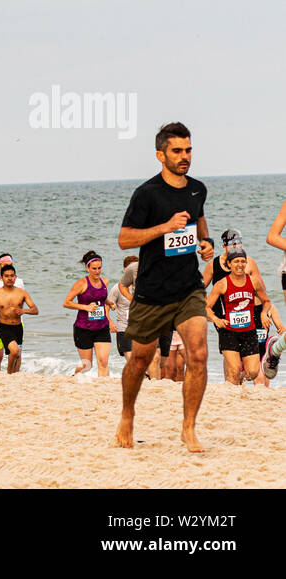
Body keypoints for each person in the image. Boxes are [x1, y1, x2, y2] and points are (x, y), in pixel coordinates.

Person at [117, 121, 216, 453]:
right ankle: (127, 414)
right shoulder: (147, 194)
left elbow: (199, 220)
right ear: (161, 155)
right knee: (140, 360)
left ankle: (188, 428)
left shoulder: (198, 189)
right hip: (152, 292)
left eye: (188, 150)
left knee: (198, 354)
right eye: (177, 151)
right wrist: (164, 227)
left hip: (188, 288)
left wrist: (205, 243)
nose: (184, 156)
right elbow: (124, 239)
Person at [205, 246, 269, 385]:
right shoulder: (222, 284)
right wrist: (216, 319)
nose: (240, 265)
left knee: (253, 372)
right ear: (229, 264)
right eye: (236, 261)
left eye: (242, 261)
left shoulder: (253, 282)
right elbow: (207, 307)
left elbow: (266, 301)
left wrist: (264, 313)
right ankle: (234, 389)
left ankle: (238, 382)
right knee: (234, 369)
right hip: (228, 332)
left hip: (249, 331)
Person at [0, 264, 39, 374]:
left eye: (12, 276)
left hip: (18, 328)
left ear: (15, 277)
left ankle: (13, 375)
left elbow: (35, 310)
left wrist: (23, 311)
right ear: (1, 278)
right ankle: (9, 374)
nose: (9, 278)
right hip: (3, 327)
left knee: (17, 355)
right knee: (15, 351)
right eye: (6, 276)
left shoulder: (22, 293)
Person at [63, 251, 114, 377]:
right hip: (84, 329)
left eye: (99, 268)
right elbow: (66, 302)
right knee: (87, 365)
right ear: (87, 268)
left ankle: (103, 385)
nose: (97, 271)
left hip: (102, 327)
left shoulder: (105, 281)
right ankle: (74, 377)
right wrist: (85, 307)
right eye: (94, 269)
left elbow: (101, 298)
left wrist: (110, 303)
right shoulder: (81, 284)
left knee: (103, 362)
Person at [109, 257, 139, 365]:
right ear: (125, 269)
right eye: (132, 267)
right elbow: (106, 307)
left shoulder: (142, 287)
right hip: (124, 329)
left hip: (141, 330)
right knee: (132, 362)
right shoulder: (117, 288)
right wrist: (110, 322)